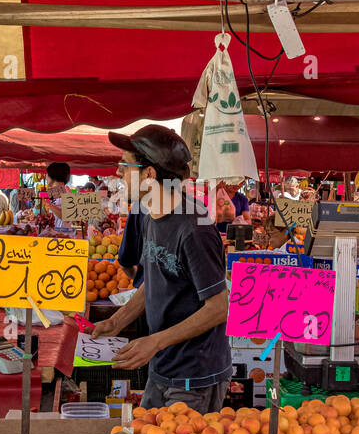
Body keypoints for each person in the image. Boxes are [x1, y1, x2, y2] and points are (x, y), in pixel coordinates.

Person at [94, 124, 231, 413]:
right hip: (162, 365)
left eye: (125, 166)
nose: (118, 173)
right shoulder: (149, 215)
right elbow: (156, 280)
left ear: (149, 175)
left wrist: (154, 342)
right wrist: (117, 321)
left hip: (195, 375)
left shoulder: (194, 229)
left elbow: (219, 307)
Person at [44, 161, 71, 228]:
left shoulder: (66, 192)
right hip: (52, 232)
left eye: (47, 174)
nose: (46, 177)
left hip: (62, 234)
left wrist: (48, 204)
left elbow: (67, 217)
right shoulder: (52, 191)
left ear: (53, 175)